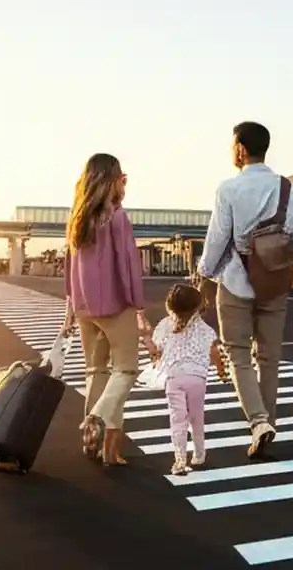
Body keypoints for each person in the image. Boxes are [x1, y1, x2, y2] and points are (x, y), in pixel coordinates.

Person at [197, 121, 293, 460]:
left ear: (240, 149)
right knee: (268, 358)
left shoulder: (228, 190)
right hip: (275, 283)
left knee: (238, 355)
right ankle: (268, 424)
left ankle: (258, 422)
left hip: (237, 283)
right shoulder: (290, 190)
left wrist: (203, 273)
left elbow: (217, 238)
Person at [60, 153, 152, 467]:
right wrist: (138, 306)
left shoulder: (77, 217)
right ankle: (98, 419)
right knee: (126, 370)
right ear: (113, 179)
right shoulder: (116, 217)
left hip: (85, 307)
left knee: (95, 371)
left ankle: (96, 445)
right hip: (116, 305)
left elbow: (69, 266)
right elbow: (128, 264)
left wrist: (71, 305)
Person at [151, 283, 228, 475]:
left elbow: (157, 349)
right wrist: (220, 369)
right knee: (196, 417)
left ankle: (179, 460)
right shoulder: (204, 329)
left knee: (177, 419)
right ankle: (199, 454)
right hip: (197, 378)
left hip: (173, 378)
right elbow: (214, 351)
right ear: (197, 306)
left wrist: (157, 359)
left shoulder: (165, 325)